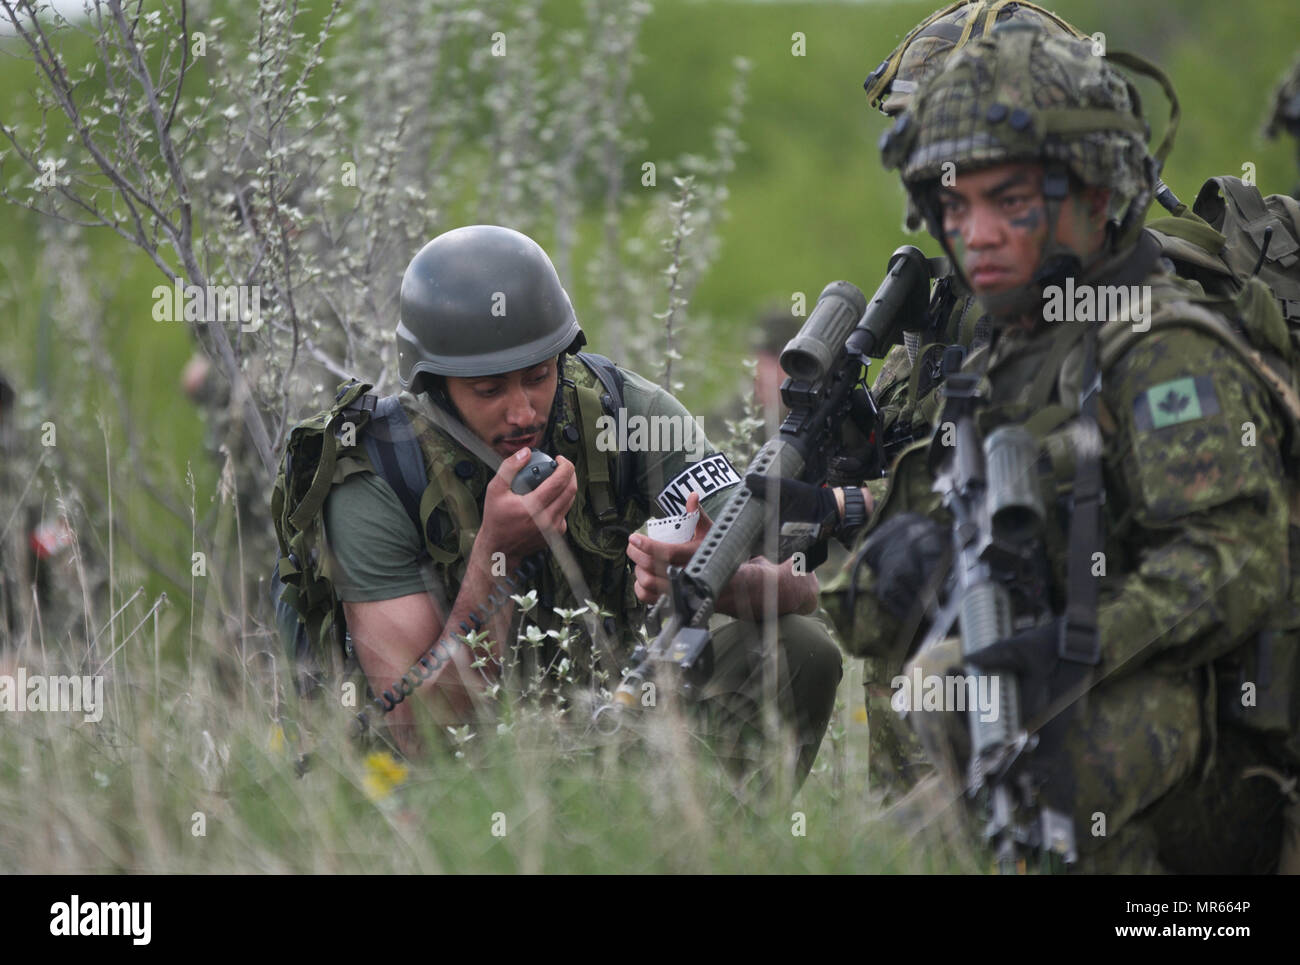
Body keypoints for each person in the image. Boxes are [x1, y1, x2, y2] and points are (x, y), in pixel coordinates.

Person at [756, 28, 1299, 871]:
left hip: (1217, 747)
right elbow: (914, 560)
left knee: (1031, 783)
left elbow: (1234, 562)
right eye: (957, 206)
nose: (975, 233)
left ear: (1092, 195)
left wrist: (1073, 647)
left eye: (1010, 203)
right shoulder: (1021, 343)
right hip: (1071, 712)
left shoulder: (1158, 347)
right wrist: (827, 581)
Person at [320, 225, 842, 786]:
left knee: (801, 647)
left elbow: (800, 580)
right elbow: (421, 736)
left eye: (538, 376)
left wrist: (715, 574)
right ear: (436, 385)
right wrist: (497, 558)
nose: (522, 412)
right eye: (490, 390)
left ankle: (707, 851)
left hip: (613, 729)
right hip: (450, 788)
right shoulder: (378, 473)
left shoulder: (626, 412)